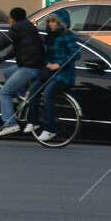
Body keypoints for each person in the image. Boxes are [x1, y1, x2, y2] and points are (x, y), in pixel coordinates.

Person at [0, 6, 45, 138]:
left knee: (5, 92)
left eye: (10, 18)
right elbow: (18, 47)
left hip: (29, 67)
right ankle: (23, 98)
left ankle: (10, 124)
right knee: (8, 72)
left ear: (12, 19)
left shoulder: (17, 28)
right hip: (35, 65)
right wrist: (4, 57)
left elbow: (2, 42)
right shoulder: (28, 26)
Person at [36, 11, 82, 142]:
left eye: (54, 21)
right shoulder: (50, 36)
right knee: (34, 89)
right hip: (50, 73)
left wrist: (59, 64)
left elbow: (76, 53)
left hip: (64, 75)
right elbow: (47, 55)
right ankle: (32, 121)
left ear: (61, 23)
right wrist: (47, 63)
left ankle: (50, 129)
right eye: (49, 21)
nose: (51, 24)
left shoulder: (67, 35)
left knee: (47, 94)